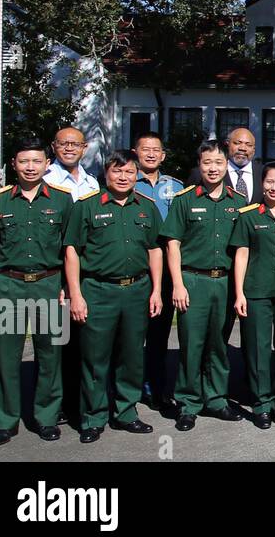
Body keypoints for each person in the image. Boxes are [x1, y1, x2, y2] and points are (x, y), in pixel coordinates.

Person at [63, 150, 164, 443]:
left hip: (137, 290)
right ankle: (93, 417)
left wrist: (157, 289)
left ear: (137, 175)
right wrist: (76, 294)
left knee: (131, 355)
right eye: (117, 171)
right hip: (98, 290)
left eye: (129, 172)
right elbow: (72, 251)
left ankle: (126, 413)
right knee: (95, 357)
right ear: (105, 174)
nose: (123, 177)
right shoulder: (86, 206)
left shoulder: (146, 207)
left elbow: (154, 249)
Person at [0, 138, 74, 446]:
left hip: (49, 285)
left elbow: (68, 248)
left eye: (36, 161)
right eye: (24, 162)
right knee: (7, 357)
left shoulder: (62, 200)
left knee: (50, 355)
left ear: (47, 164)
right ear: (14, 164)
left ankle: (45, 418)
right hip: (9, 285)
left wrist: (66, 287)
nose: (30, 167)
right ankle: (5, 422)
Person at [161, 141, 245, 431]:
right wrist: (178, 285)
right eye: (207, 162)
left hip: (223, 282)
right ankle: (188, 403)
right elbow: (173, 244)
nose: (212, 168)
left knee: (219, 344)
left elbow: (243, 250)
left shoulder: (238, 202)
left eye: (218, 163)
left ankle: (217, 399)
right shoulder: (184, 200)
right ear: (199, 164)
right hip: (192, 281)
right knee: (191, 345)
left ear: (226, 166)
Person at [232, 163, 275, 429]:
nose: (274, 187)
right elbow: (241, 253)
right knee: (258, 348)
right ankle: (261, 404)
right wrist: (239, 293)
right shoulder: (248, 215)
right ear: (262, 184)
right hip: (256, 291)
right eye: (269, 182)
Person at [45, 126, 100, 428]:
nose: (69, 148)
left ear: (85, 147)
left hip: (85, 271)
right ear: (53, 147)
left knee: (83, 343)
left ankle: (79, 402)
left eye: (75, 144)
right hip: (57, 273)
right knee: (57, 345)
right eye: (63, 143)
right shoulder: (45, 179)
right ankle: (57, 406)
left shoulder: (92, 182)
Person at [134, 131, 186, 415]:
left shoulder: (175, 187)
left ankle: (157, 388)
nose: (151, 154)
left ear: (163, 155)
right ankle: (126, 389)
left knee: (159, 334)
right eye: (145, 149)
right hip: (134, 266)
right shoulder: (127, 182)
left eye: (156, 150)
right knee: (130, 335)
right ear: (136, 152)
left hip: (165, 270)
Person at [188, 127, 262, 204]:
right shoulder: (201, 174)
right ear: (227, 144)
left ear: (254, 150)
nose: (242, 148)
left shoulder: (264, 173)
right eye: (237, 143)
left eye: (248, 145)